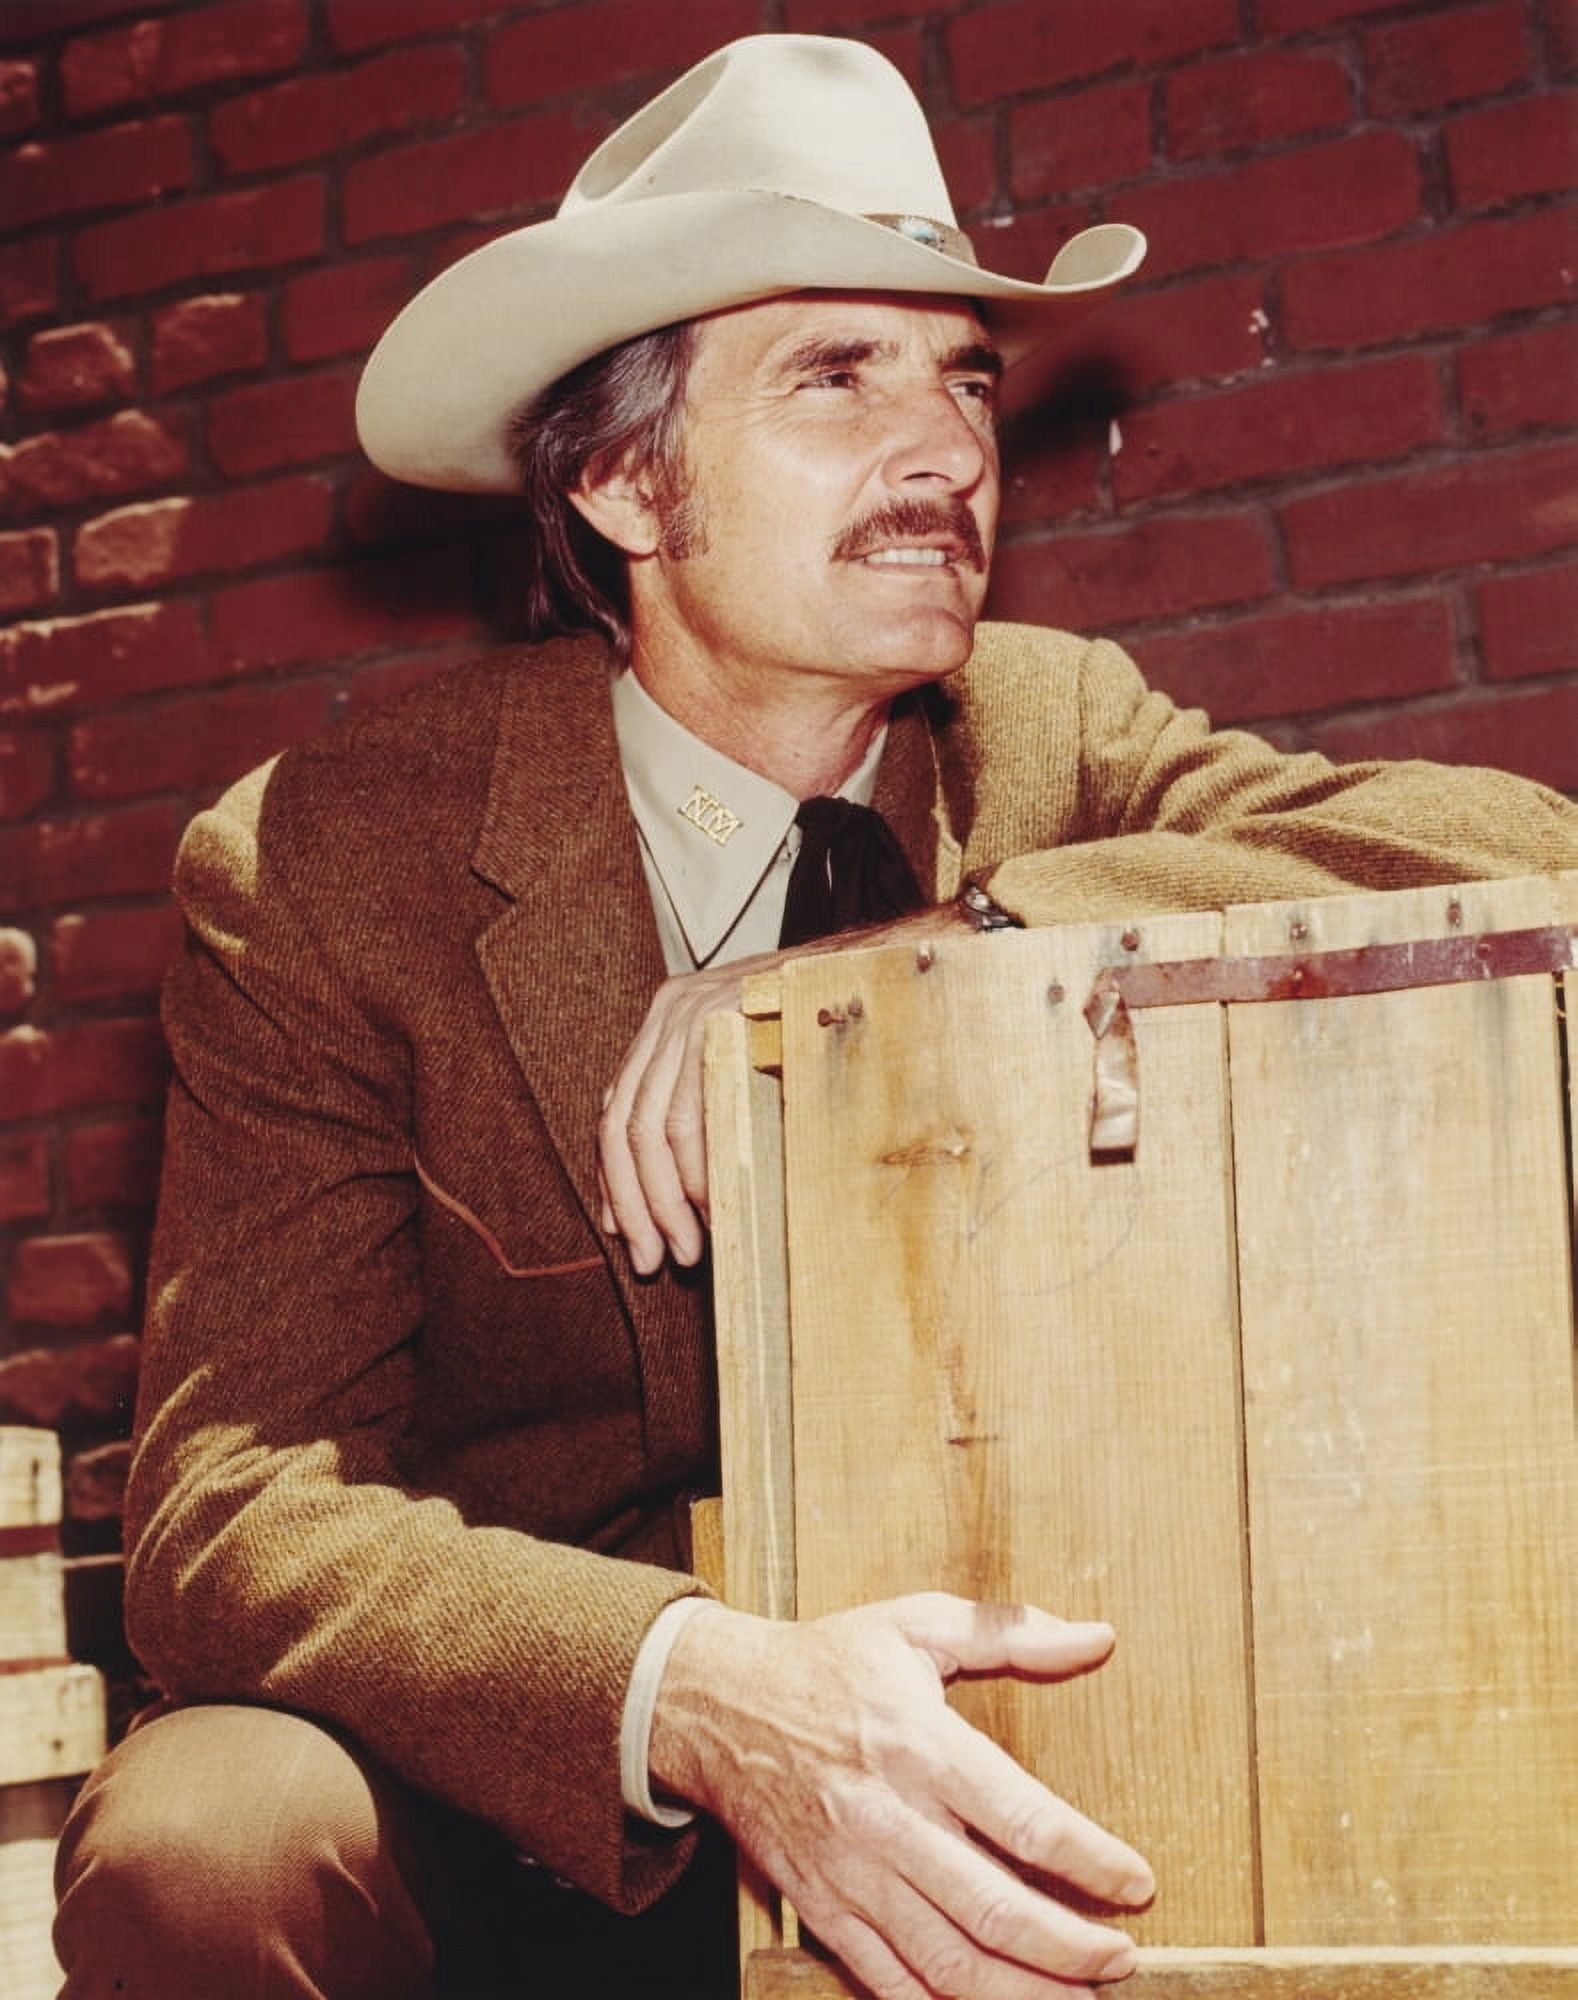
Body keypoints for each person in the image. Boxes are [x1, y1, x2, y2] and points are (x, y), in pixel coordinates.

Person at [54, 33, 1577, 2000]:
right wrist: (693, 1688)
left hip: (989, 1751)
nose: (945, 447)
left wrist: (938, 932)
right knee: (209, 1837)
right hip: (527, 1800)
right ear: (618, 479)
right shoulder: (328, 860)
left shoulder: (1051, 735)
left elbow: (1514, 842)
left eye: (962, 375)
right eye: (836, 373)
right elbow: (227, 1514)